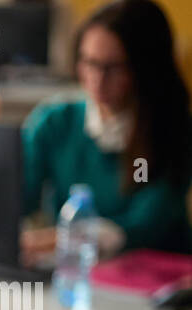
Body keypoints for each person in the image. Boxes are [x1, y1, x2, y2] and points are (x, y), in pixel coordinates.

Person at [21, 0, 192, 259]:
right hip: (79, 277)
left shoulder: (174, 130)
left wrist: (51, 240)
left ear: (144, 68)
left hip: (155, 283)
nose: (97, 80)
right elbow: (15, 197)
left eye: (113, 67)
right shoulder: (55, 121)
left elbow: (143, 226)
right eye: (89, 62)